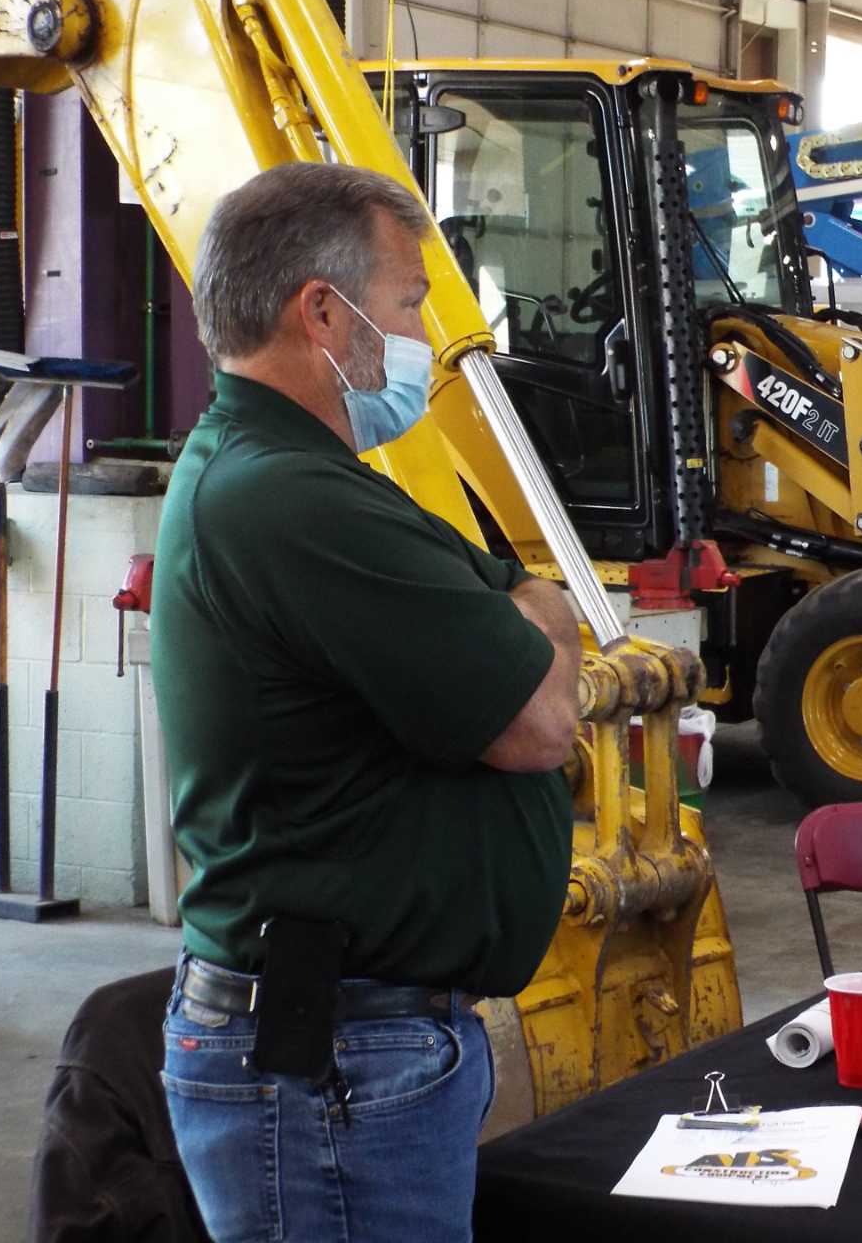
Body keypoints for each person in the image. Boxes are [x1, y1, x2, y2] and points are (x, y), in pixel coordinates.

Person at [153, 163, 583, 1243]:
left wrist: (522, 614)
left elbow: (516, 615)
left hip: (362, 1042)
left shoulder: (305, 480)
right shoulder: (287, 498)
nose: (423, 333)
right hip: (337, 1057)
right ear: (322, 310)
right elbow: (535, 722)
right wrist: (535, 616)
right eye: (407, 300)